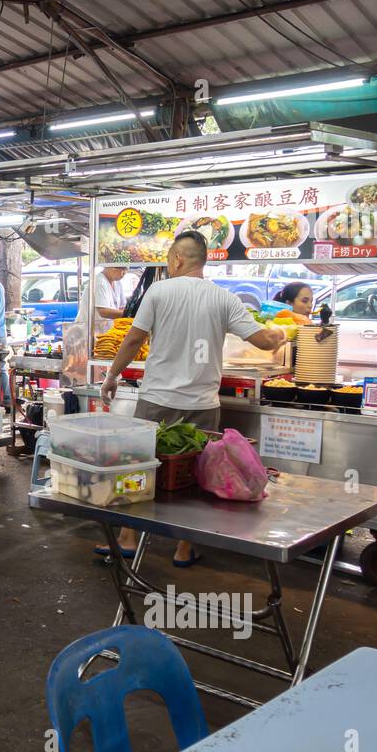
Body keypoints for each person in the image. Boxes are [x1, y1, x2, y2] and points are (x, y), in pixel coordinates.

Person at [101, 232, 286, 567]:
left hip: (156, 399)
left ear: (176, 259)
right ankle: (183, 548)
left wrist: (112, 377)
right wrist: (281, 333)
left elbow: (132, 341)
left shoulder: (158, 291)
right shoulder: (224, 298)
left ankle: (128, 538)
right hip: (202, 403)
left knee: (143, 466)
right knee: (196, 474)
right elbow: (262, 340)